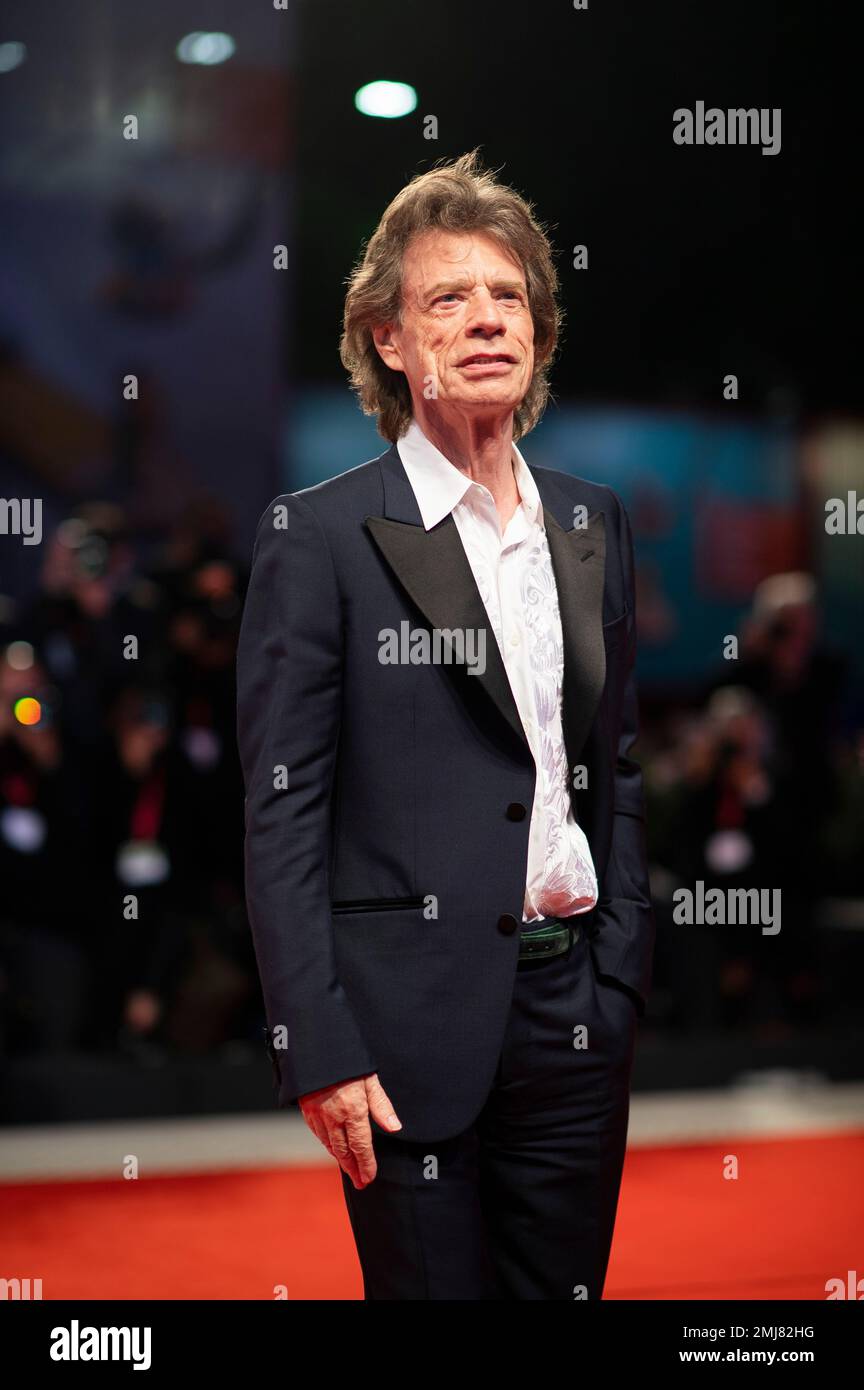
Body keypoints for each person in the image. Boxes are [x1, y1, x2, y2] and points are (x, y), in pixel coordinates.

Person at [236, 151, 655, 1300]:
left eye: (508, 294)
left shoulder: (592, 521)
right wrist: (314, 1042)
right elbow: (283, 812)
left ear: (540, 329)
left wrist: (619, 973)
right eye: (447, 299)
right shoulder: (319, 535)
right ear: (388, 340)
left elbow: (612, 759)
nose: (486, 321)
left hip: (576, 1016)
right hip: (403, 1025)